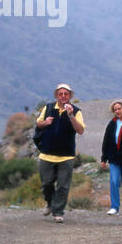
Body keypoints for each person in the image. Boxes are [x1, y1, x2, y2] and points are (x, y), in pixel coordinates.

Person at [33, 83, 86, 222]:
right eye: (60, 93)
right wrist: (46, 123)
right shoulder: (48, 108)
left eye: (66, 94)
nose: (63, 96)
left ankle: (58, 212)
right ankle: (50, 203)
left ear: (70, 96)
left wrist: (71, 116)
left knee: (63, 186)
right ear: (56, 95)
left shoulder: (76, 111)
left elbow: (80, 130)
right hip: (47, 154)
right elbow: (38, 124)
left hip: (66, 155)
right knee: (46, 184)